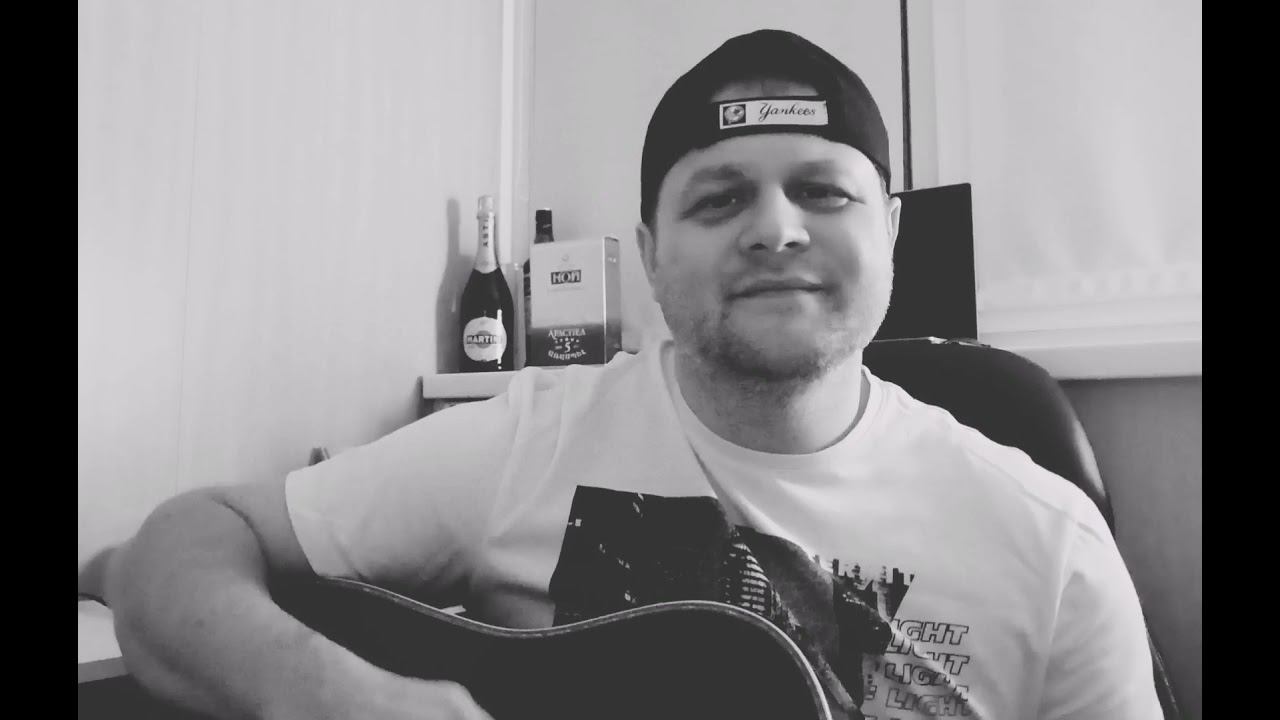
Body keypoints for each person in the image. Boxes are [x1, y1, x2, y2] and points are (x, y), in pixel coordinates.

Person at [106, 28, 1162, 720]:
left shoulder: (1051, 550)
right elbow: (181, 543)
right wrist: (334, 696)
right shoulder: (530, 439)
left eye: (822, 192)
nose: (775, 230)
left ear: (891, 234)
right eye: (718, 200)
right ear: (649, 256)